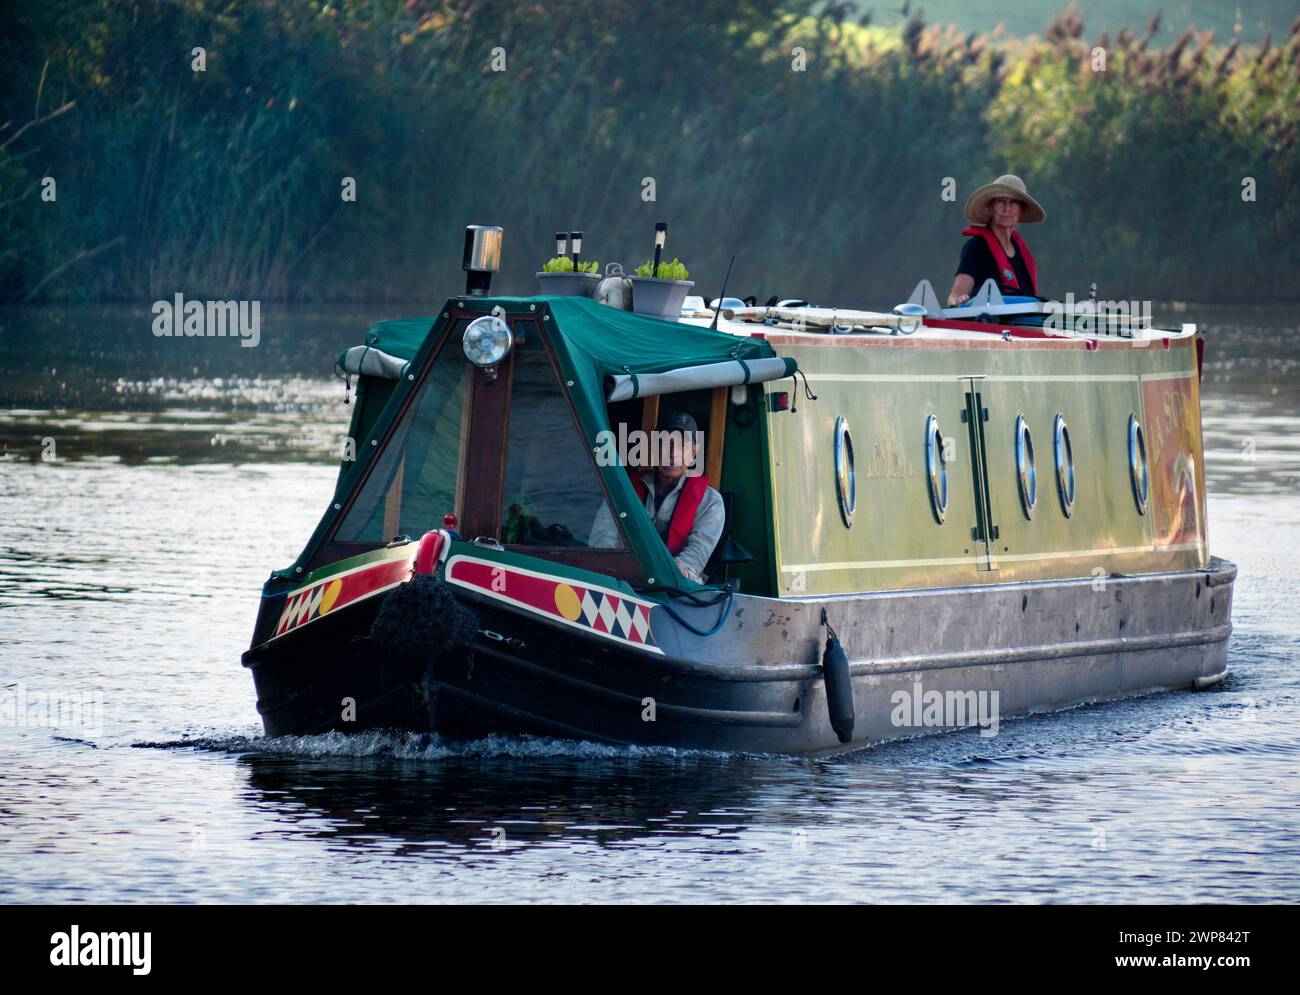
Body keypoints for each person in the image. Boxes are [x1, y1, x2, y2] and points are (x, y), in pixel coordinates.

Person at [588, 411, 725, 583]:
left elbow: (694, 559)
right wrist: (615, 567)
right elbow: (602, 539)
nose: (673, 453)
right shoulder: (624, 489)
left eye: (683, 445)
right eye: (666, 443)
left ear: (694, 453)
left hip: (676, 588)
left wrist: (663, 576)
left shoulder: (711, 502)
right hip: (622, 581)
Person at [947, 174, 1046, 306]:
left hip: (1019, 325)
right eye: (1001, 201)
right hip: (986, 324)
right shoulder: (976, 247)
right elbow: (954, 299)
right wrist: (958, 302)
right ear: (990, 206)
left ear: (1021, 210)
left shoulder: (1023, 255)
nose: (1007, 209)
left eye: (1014, 202)